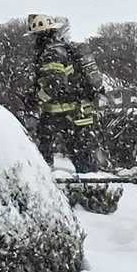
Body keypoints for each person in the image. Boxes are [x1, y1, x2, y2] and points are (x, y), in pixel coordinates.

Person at [29, 13, 101, 173]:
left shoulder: (51, 53)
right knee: (81, 154)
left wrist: (37, 99)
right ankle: (92, 187)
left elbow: (54, 83)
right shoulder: (63, 49)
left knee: (44, 145)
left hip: (62, 112)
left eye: (35, 36)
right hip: (78, 111)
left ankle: (43, 177)